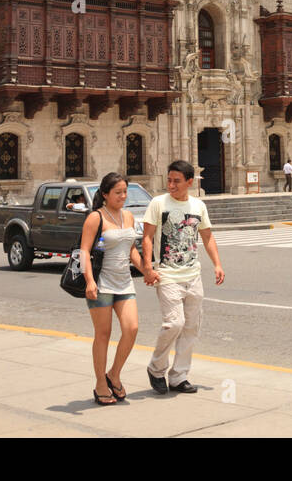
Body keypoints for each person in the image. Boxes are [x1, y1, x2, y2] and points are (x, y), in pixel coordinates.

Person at [142, 160, 225, 395]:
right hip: (167, 275)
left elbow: (207, 236)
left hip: (193, 275)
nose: (171, 185)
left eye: (177, 181)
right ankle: (156, 368)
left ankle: (179, 376)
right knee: (174, 323)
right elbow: (147, 237)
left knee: (191, 328)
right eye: (169, 180)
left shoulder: (198, 206)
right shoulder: (158, 203)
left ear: (190, 182)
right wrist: (148, 268)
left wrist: (217, 264)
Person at [81, 172, 146, 406]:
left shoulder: (128, 217)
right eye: (118, 192)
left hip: (124, 281)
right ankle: (100, 383)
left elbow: (132, 251)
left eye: (125, 192)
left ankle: (114, 374)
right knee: (103, 334)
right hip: (102, 283)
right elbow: (84, 252)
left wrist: (146, 270)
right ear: (105, 194)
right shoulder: (95, 218)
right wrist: (89, 281)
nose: (123, 196)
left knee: (132, 328)